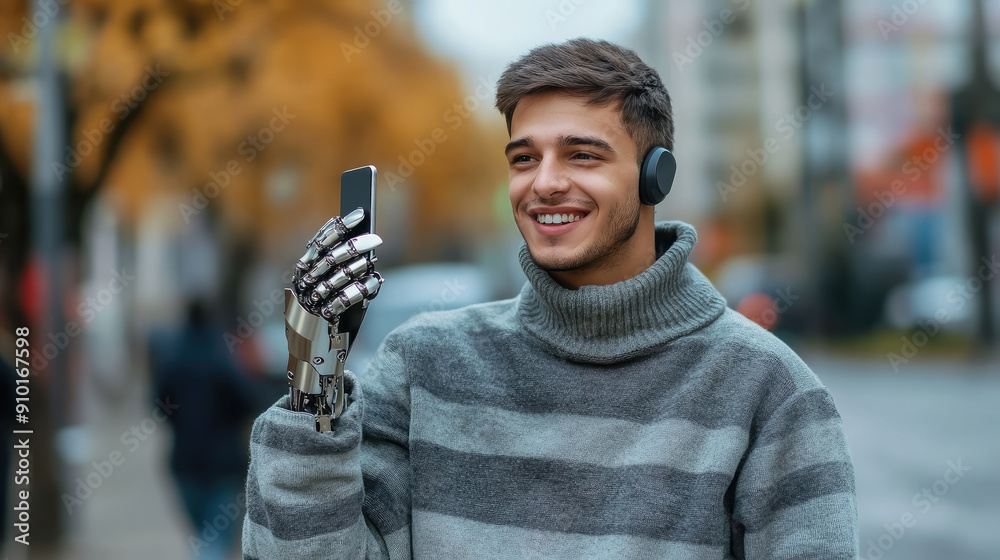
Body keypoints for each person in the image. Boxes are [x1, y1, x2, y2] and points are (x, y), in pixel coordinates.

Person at [242, 38, 859, 559]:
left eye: (582, 155)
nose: (545, 183)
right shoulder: (422, 367)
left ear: (656, 176)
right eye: (524, 158)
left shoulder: (769, 390)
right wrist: (313, 372)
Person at [153, 299, 259, 560]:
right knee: (215, 537)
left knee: (203, 535)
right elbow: (248, 399)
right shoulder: (223, 360)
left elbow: (159, 405)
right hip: (222, 463)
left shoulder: (173, 360)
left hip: (184, 462)